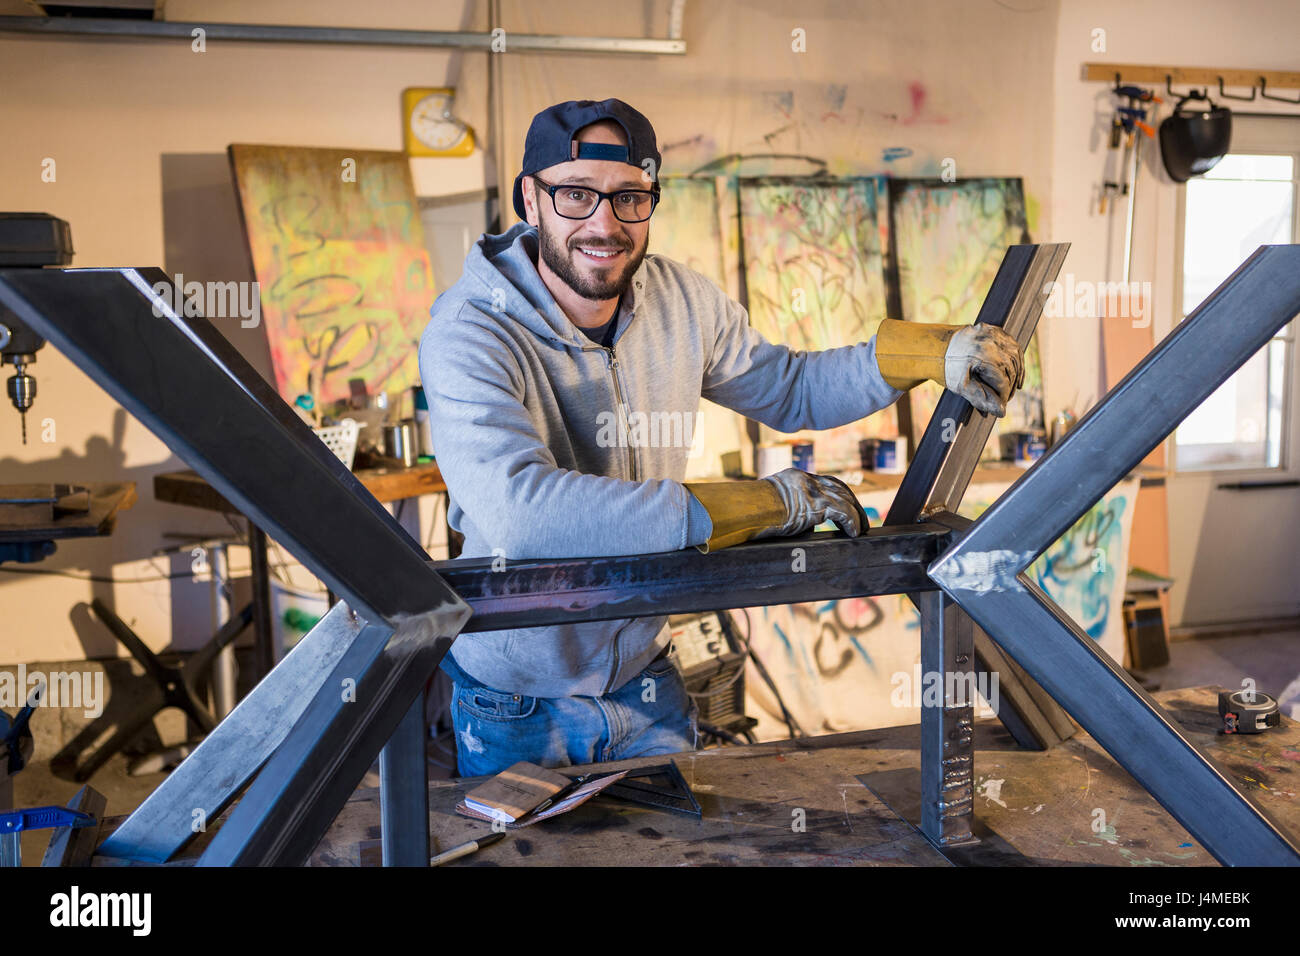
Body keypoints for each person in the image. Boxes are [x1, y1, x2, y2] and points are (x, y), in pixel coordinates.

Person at [419, 98, 1024, 777]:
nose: (604, 223)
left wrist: (924, 353)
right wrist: (760, 506)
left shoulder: (680, 301)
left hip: (647, 679)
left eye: (629, 199)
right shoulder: (470, 331)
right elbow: (518, 512)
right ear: (531, 198)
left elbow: (790, 387)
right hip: (517, 702)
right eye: (576, 195)